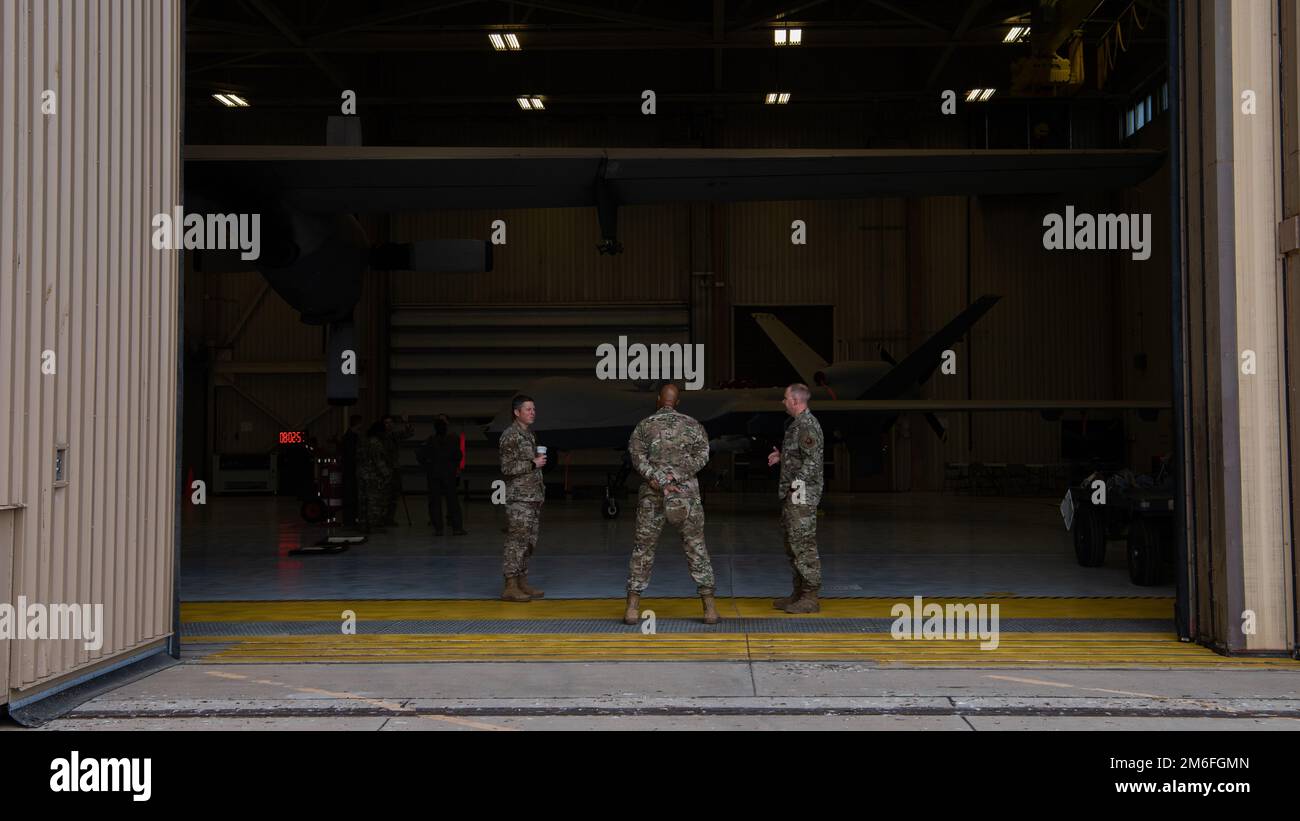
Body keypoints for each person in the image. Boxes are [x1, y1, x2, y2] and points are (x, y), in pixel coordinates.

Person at [624, 383, 719, 625]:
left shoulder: (644, 426)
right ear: (677, 403)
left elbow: (636, 457)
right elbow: (703, 456)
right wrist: (675, 476)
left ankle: (633, 608)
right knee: (696, 546)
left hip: (652, 495)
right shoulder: (693, 425)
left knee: (643, 549)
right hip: (686, 495)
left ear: (659, 400)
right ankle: (709, 608)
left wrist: (659, 479)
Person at [766, 383, 825, 613]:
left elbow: (813, 461)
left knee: (803, 544)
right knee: (793, 542)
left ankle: (810, 596)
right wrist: (782, 457)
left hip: (801, 494)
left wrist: (795, 482)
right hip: (794, 493)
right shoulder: (797, 425)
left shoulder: (807, 425)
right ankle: (799, 592)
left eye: (785, 398)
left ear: (796, 401)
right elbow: (801, 455)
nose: (783, 402)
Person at [498, 395, 546, 602]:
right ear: (517, 412)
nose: (532, 412)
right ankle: (510, 585)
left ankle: (522, 581)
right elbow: (507, 468)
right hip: (519, 498)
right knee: (516, 541)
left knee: (529, 542)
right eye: (528, 409)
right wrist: (533, 464)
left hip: (532, 497)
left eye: (534, 409)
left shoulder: (528, 435)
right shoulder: (510, 436)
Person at [416, 417, 466, 536]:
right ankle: (457, 528)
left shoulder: (430, 440)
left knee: (435, 502)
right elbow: (459, 456)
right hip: (449, 474)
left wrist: (427, 466)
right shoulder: (453, 440)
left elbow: (420, 456)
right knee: (453, 502)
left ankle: (438, 529)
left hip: (434, 474)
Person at [358, 421, 393, 534]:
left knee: (363, 501)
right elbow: (379, 461)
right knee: (374, 502)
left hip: (362, 474)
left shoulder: (364, 441)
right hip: (373, 476)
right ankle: (373, 526)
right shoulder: (376, 443)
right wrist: (387, 474)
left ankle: (363, 525)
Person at [381, 414, 414, 526]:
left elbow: (409, 433)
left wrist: (406, 422)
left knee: (394, 495)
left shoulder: (395, 435)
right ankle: (382, 518)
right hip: (383, 469)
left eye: (390, 422)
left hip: (394, 468)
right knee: (383, 494)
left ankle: (390, 518)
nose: (389, 425)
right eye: (386, 423)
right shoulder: (380, 437)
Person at [340, 414, 363, 526]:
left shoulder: (350, 436)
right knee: (350, 497)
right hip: (350, 471)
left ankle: (351, 520)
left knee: (351, 496)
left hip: (350, 471)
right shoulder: (351, 438)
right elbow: (352, 455)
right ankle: (350, 521)